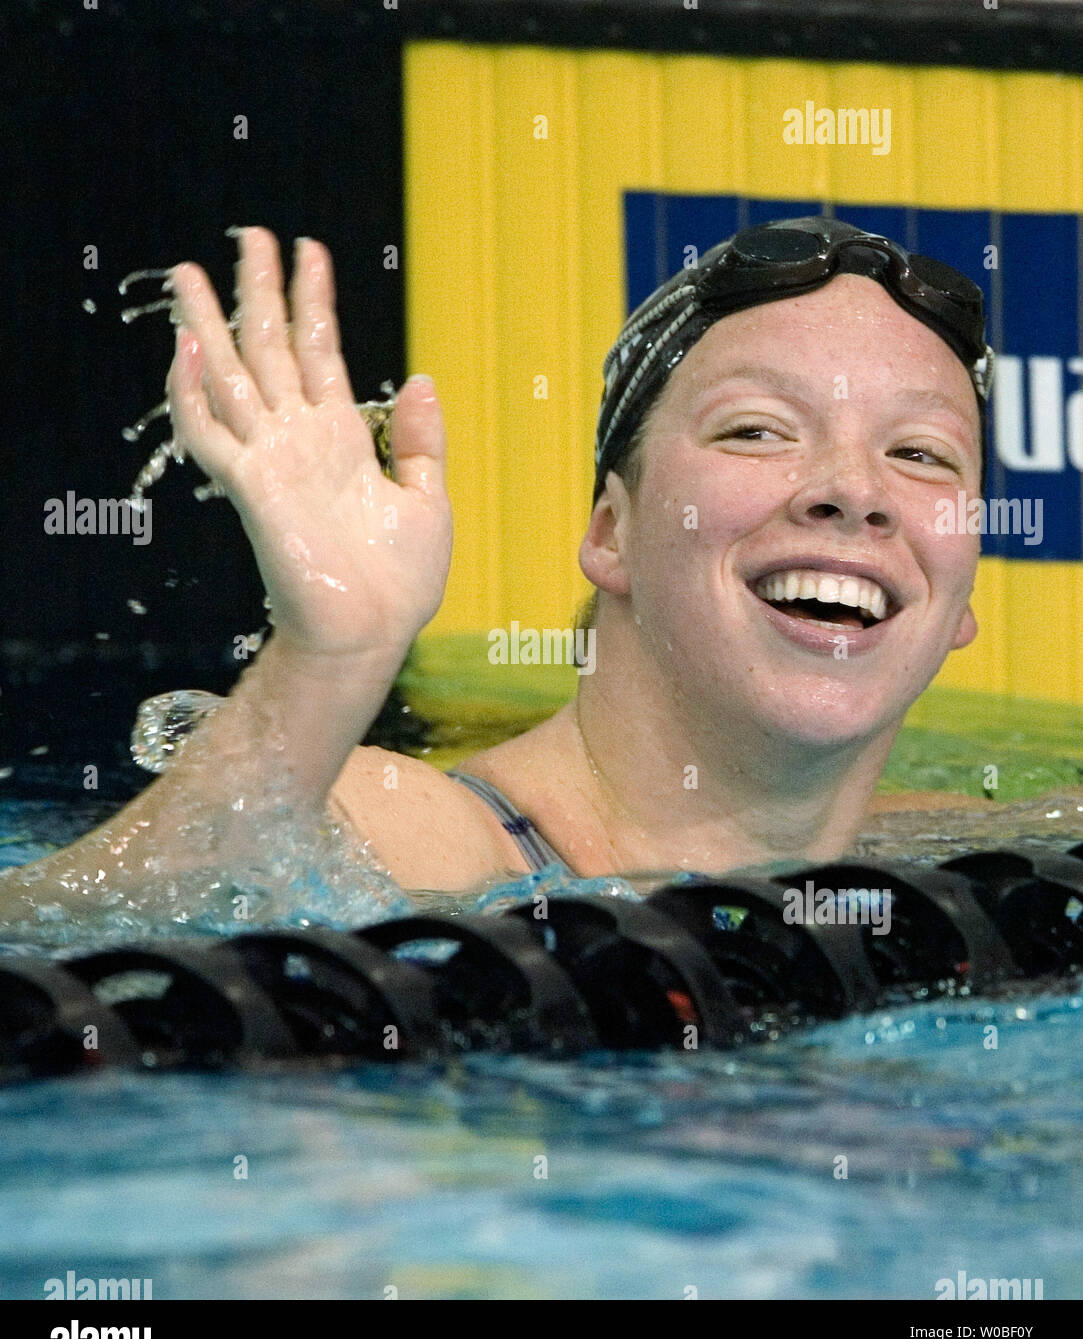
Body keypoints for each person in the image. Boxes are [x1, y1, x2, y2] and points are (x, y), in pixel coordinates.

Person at [0, 216, 992, 922]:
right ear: (611, 531)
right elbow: (62, 931)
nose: (851, 490)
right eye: (759, 429)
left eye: (921, 453)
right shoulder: (416, 837)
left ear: (964, 594)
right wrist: (329, 659)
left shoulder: (951, 850)